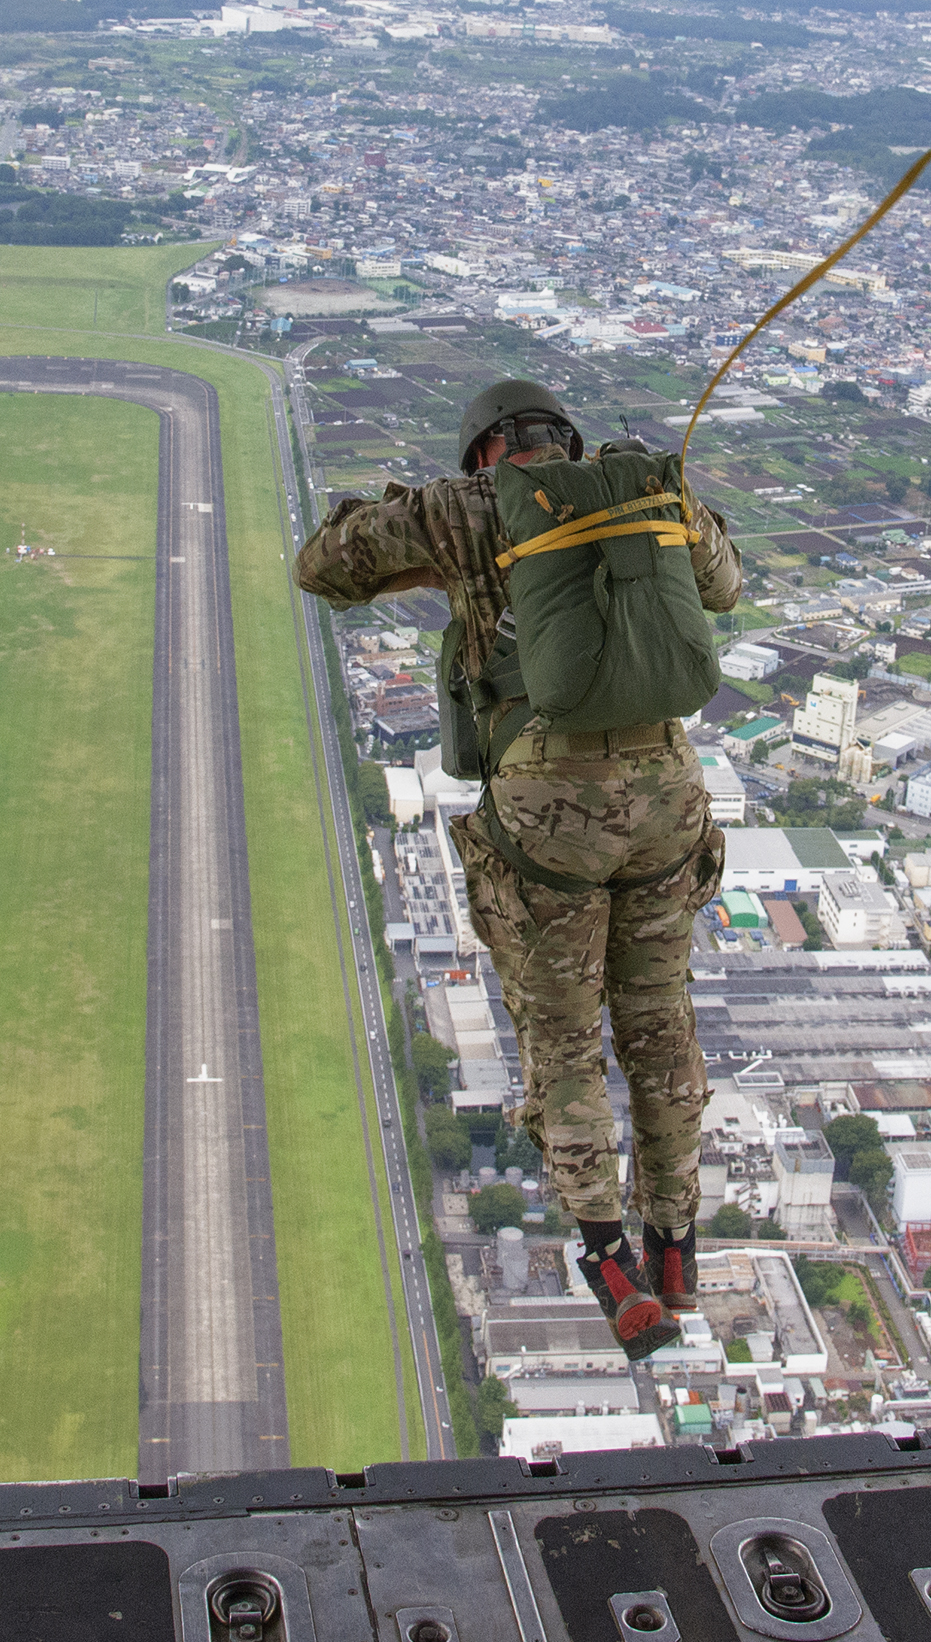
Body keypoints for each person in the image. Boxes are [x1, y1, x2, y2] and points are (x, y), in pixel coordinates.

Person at [294, 377, 743, 1359]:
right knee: (662, 1027)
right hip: (667, 799)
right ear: (564, 438)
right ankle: (676, 1238)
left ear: (486, 450)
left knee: (564, 1038)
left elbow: (322, 568)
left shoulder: (466, 509)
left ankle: (606, 1253)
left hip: (547, 818)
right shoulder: (642, 491)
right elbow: (723, 584)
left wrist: (403, 532)